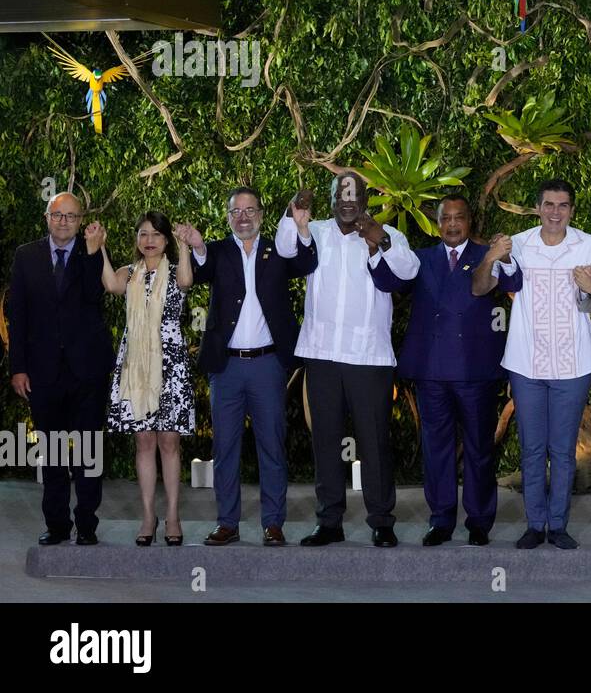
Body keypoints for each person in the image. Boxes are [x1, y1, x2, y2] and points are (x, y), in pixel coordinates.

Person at [276, 171, 419, 547]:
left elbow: (409, 270)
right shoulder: (317, 232)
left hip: (369, 357)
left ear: (366, 201)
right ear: (332, 200)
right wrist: (295, 215)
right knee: (325, 441)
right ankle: (329, 521)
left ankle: (382, 521)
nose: (347, 203)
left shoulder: (385, 233)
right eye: (341, 197)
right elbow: (285, 249)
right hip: (322, 355)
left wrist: (381, 240)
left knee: (374, 442)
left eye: (354, 198)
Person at [372, 195, 520, 547]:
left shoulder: (487, 256)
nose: (452, 225)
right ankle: (440, 520)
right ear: (437, 224)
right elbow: (388, 283)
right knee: (435, 448)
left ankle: (480, 521)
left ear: (470, 221)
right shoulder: (420, 259)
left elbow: (512, 284)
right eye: (446, 219)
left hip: (476, 371)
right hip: (431, 371)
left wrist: (506, 258)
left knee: (478, 448)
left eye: (459, 218)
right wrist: (374, 249)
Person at [180, 187, 317, 547]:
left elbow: (306, 264)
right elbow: (202, 268)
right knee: (224, 449)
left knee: (272, 446)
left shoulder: (279, 250)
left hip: (268, 365)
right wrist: (196, 244)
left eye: (250, 210)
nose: (243, 216)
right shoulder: (218, 251)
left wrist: (302, 230)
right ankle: (228, 522)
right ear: (228, 217)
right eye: (236, 211)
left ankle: (273, 523)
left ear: (261, 213)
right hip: (226, 369)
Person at [495, 179, 591, 550]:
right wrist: (495, 256)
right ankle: (535, 524)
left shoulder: (590, 245)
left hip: (572, 364)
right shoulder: (519, 245)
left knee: (563, 451)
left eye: (563, 206)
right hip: (526, 362)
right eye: (548, 204)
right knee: (532, 449)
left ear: (572, 211)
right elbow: (497, 283)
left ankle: (559, 525)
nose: (555, 212)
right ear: (538, 208)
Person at [6, 192, 114, 546]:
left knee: (87, 452)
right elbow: (17, 315)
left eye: (71, 216)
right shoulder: (26, 256)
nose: (64, 222)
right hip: (42, 372)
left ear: (81, 220)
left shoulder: (92, 251)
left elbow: (92, 297)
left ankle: (86, 526)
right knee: (51, 454)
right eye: (58, 215)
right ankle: (56, 526)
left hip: (87, 372)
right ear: (47, 217)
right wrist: (18, 368)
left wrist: (95, 252)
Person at [89, 211, 195, 546]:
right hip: (136, 364)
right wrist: (101, 248)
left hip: (170, 365)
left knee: (169, 442)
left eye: (155, 235)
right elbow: (110, 284)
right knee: (144, 441)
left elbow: (187, 282)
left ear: (165, 240)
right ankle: (148, 516)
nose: (148, 240)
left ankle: (173, 516)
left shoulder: (177, 271)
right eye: (142, 234)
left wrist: (185, 245)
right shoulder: (129, 273)